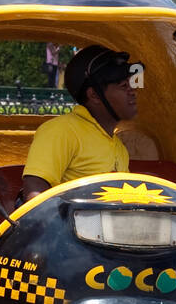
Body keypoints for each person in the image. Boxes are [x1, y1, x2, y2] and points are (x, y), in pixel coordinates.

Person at [22, 45, 136, 198]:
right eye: (124, 86)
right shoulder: (62, 131)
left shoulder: (119, 148)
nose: (133, 92)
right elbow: (34, 195)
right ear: (94, 95)